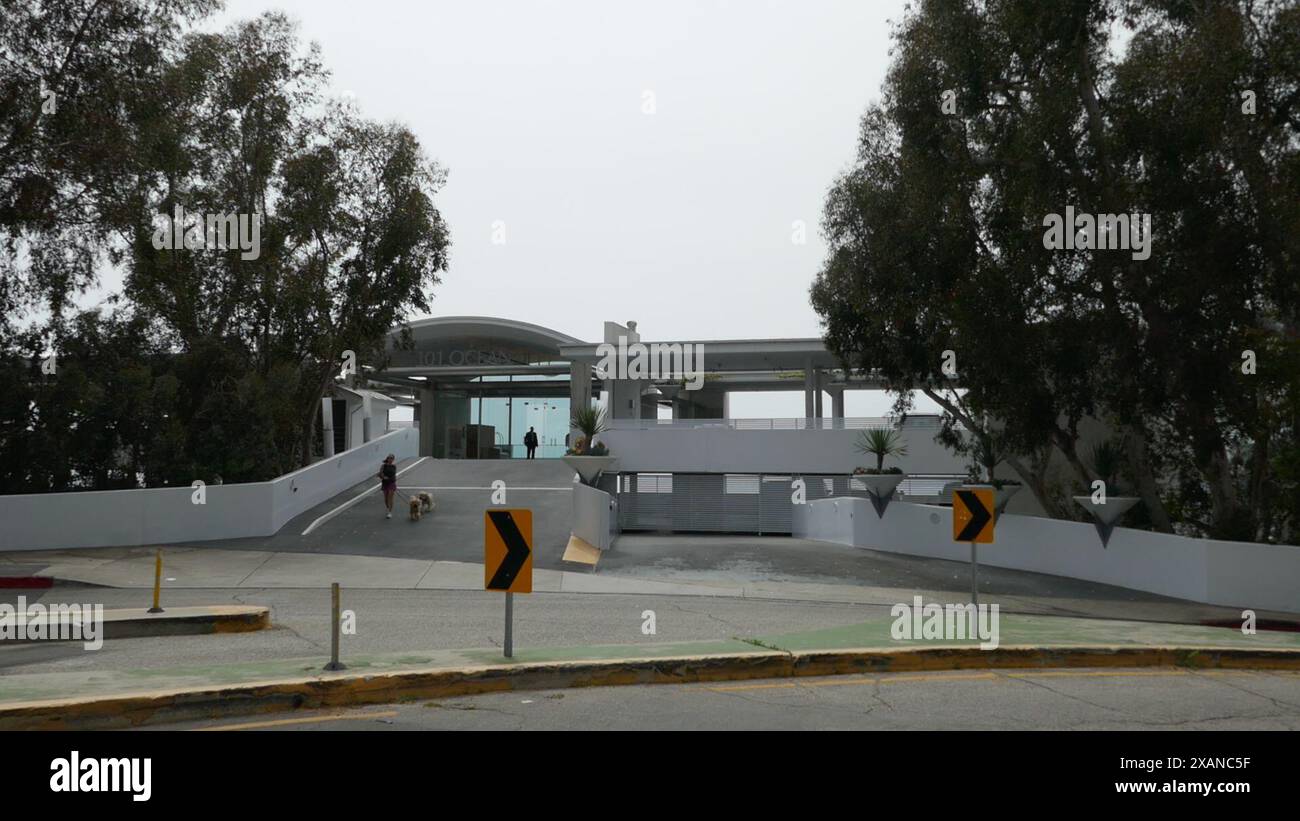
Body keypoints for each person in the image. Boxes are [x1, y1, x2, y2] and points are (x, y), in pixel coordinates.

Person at [378, 454, 398, 518]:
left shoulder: (394, 466)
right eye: (389, 458)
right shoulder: (383, 466)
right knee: (386, 499)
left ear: (393, 460)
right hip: (385, 483)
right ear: (387, 459)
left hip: (391, 483)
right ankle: (387, 507)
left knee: (390, 497)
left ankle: (389, 512)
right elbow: (380, 473)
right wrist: (383, 477)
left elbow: (394, 474)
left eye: (392, 459)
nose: (391, 460)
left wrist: (393, 479)